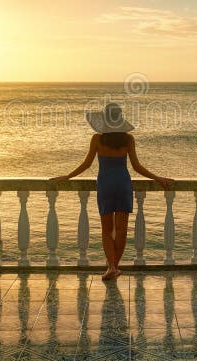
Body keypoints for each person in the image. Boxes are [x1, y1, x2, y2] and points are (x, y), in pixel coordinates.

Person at [51, 102, 173, 281]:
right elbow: (137, 167)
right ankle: (115, 267)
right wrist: (158, 178)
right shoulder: (128, 139)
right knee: (122, 230)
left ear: (106, 120)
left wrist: (67, 176)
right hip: (123, 185)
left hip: (106, 185)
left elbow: (86, 165)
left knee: (107, 230)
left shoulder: (97, 139)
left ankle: (111, 267)